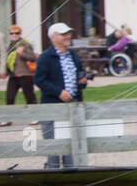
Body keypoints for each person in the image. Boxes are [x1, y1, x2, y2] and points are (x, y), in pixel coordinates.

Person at [35, 22, 88, 168]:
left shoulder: (74, 56)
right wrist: (58, 92)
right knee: (53, 146)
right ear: (53, 37)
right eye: (63, 34)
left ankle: (71, 176)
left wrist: (82, 81)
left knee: (71, 144)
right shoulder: (46, 57)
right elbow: (39, 80)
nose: (68, 37)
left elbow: (80, 78)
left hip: (72, 105)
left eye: (68, 34)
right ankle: (52, 176)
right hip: (52, 106)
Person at [5, 25, 38, 105]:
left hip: (25, 75)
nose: (14, 35)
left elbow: (32, 57)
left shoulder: (25, 44)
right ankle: (10, 116)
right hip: (13, 75)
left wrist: (21, 53)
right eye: (12, 33)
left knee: (30, 98)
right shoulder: (9, 46)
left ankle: (34, 115)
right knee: (9, 98)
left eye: (17, 33)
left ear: (20, 34)